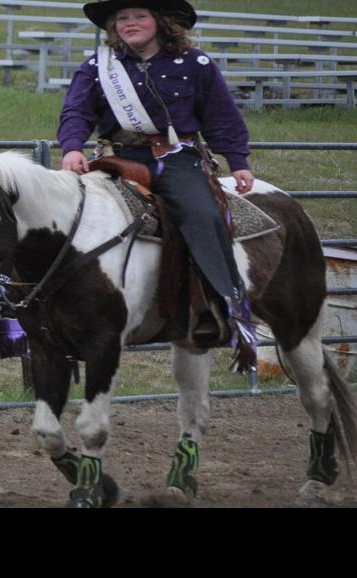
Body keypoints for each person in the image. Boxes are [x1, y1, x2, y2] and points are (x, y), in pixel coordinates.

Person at [57, 0, 254, 345]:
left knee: (202, 215)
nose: (130, 23)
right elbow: (76, 111)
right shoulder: (96, 67)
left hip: (177, 159)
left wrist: (237, 160)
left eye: (139, 16)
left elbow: (222, 116)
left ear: (160, 21)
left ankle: (219, 305)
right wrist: (73, 147)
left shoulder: (196, 63)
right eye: (122, 18)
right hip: (117, 158)